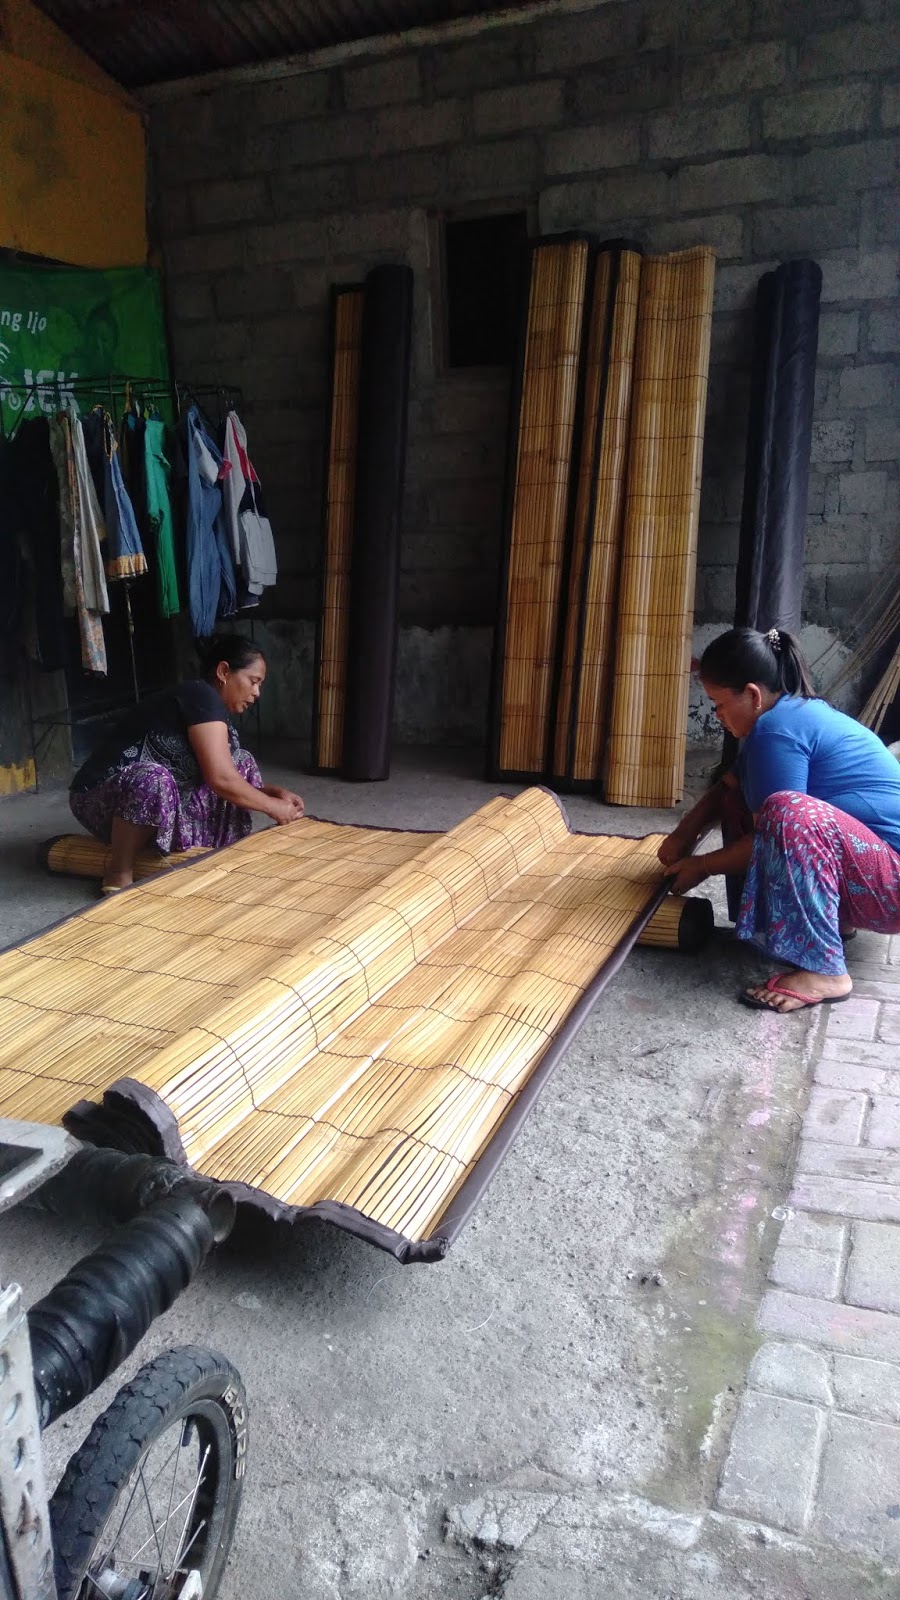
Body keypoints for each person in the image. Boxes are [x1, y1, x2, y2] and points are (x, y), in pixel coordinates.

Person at [657, 626, 900, 1014]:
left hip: (892, 886)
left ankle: (826, 971)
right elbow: (728, 788)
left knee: (787, 812)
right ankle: (835, 922)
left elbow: (773, 835)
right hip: (879, 869)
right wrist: (682, 837)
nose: (717, 716)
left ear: (752, 694)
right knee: (754, 801)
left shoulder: (777, 729)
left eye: (719, 704)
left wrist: (701, 866)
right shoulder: (785, 717)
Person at [70, 633, 304, 892]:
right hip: (97, 800)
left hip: (158, 803)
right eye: (253, 681)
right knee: (154, 780)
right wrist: (273, 807)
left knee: (242, 761)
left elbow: (228, 774)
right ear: (224, 671)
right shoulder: (200, 695)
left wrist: (275, 794)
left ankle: (213, 852)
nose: (256, 693)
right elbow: (221, 779)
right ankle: (118, 871)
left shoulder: (215, 713)